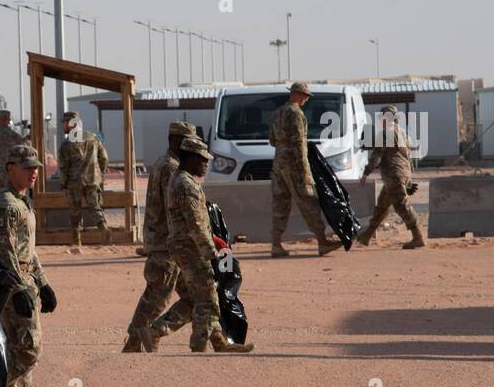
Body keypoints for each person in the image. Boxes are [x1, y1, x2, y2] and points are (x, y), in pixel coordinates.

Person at [160, 136, 254, 353]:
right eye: (202, 160)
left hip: (185, 246)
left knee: (202, 296)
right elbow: (196, 225)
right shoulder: (186, 184)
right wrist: (212, 254)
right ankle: (198, 347)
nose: (206, 164)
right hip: (191, 248)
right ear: (191, 159)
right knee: (208, 299)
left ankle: (219, 343)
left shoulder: (181, 180)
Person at [0, 145, 57, 387]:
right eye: (27, 167)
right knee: (29, 348)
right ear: (10, 168)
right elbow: (5, 254)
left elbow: (27, 251)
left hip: (25, 283)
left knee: (21, 350)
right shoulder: (5, 204)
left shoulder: (22, 201)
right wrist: (19, 291)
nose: (33, 172)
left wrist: (43, 284)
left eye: (36, 168)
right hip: (11, 286)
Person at [123, 122, 195, 352]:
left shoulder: (162, 163)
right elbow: (174, 208)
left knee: (192, 298)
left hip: (163, 243)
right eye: (188, 141)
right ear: (176, 141)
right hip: (169, 245)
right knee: (159, 296)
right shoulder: (172, 168)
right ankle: (149, 334)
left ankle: (140, 339)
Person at [267, 81, 344, 258]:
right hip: (295, 166)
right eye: (305, 96)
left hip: (279, 165)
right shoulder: (296, 114)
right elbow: (300, 144)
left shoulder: (276, 113)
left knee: (280, 205)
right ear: (296, 94)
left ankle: (276, 245)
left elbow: (272, 140)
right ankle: (322, 241)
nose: (306, 100)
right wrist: (304, 171)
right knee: (309, 202)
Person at [356, 105, 425, 249]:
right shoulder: (402, 133)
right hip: (401, 175)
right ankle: (366, 236)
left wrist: (365, 174)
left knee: (401, 206)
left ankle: (418, 236)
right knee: (381, 206)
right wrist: (408, 180)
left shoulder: (385, 133)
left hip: (393, 175)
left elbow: (376, 157)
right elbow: (408, 157)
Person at [57, 111, 109, 249]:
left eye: (64, 123)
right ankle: (104, 228)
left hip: (74, 182)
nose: (62, 125)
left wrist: (63, 184)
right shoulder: (93, 137)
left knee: (75, 211)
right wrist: (100, 175)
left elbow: (63, 166)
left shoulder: (66, 143)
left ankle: (76, 240)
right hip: (93, 180)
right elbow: (104, 158)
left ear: (69, 124)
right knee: (95, 206)